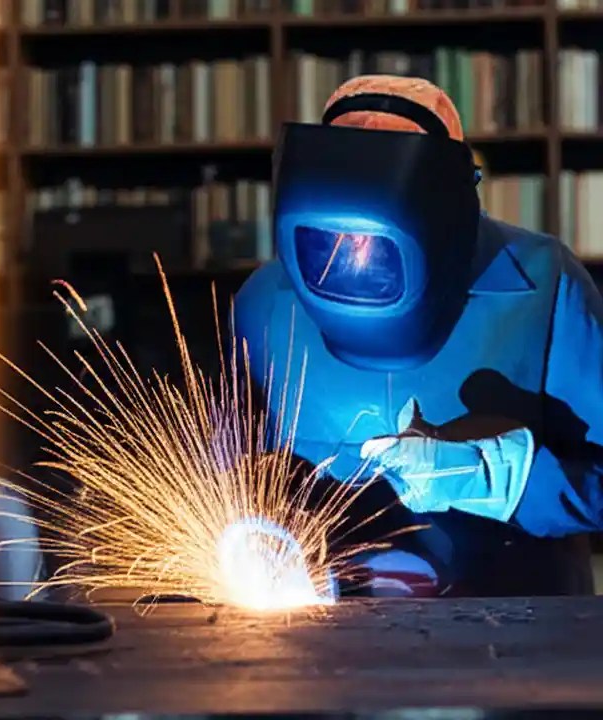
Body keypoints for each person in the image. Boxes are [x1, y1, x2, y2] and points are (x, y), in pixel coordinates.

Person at [233, 74, 603, 597]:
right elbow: (228, 471)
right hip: (325, 644)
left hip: (518, 642)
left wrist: (509, 483)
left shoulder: (545, 283)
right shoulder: (265, 302)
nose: (357, 255)